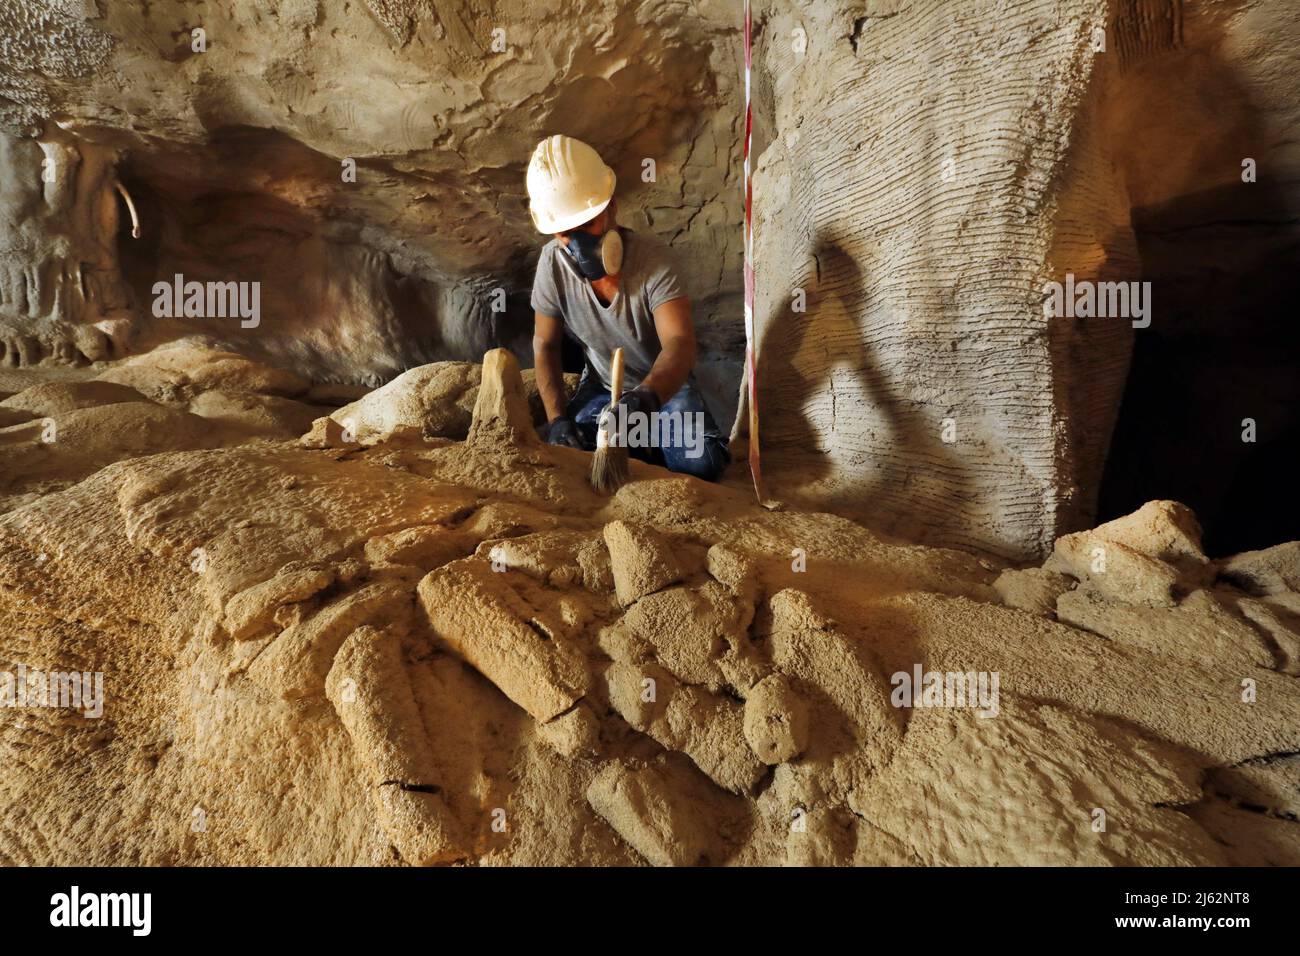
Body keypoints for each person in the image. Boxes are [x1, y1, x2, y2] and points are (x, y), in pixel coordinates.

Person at [526, 134, 729, 481]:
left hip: (661, 390)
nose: (577, 245)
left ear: (612, 207)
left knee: (700, 464)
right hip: (603, 387)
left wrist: (647, 400)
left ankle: (649, 438)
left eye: (588, 225)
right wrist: (557, 418)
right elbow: (545, 344)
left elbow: (679, 344)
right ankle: (641, 442)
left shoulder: (654, 262)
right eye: (564, 234)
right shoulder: (552, 265)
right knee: (570, 452)